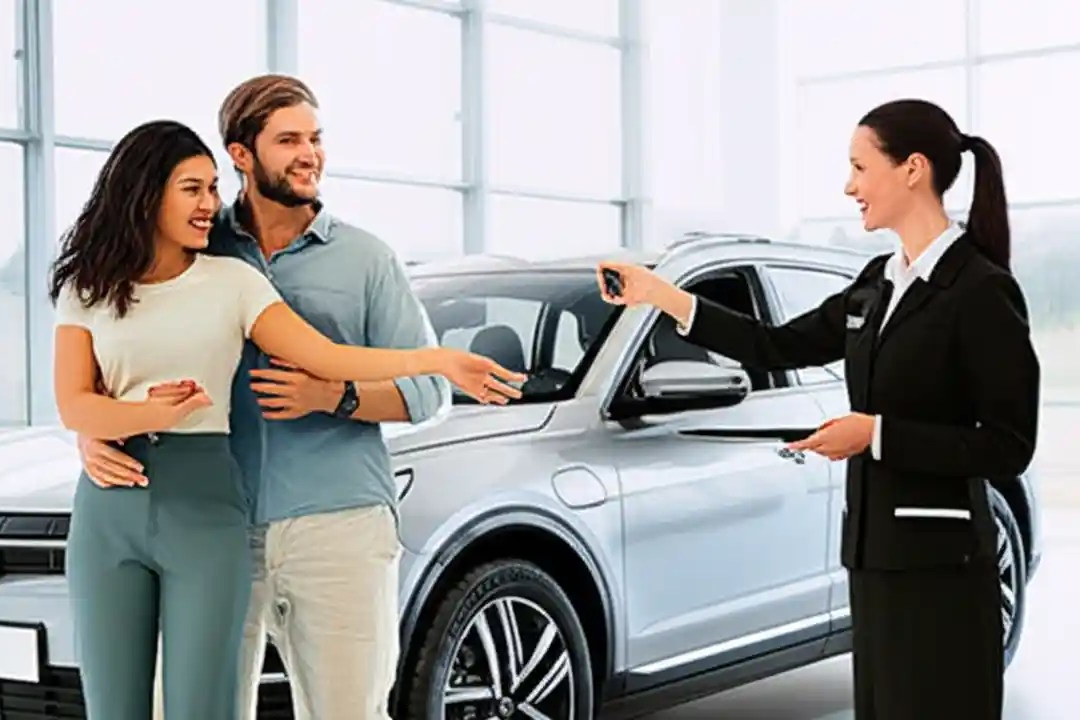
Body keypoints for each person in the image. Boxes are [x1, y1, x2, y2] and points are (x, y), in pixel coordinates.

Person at [51, 119, 524, 720]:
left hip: (265, 511)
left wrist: (427, 362)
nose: (207, 203)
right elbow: (78, 397)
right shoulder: (107, 280)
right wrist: (117, 422)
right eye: (192, 189)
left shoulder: (256, 276)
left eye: (209, 189)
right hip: (138, 509)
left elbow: (335, 358)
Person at [596, 98, 1038, 719]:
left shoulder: (981, 290)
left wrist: (876, 434)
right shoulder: (878, 283)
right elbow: (776, 344)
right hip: (873, 556)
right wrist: (662, 297)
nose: (849, 186)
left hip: (942, 567)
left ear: (912, 169)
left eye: (860, 167)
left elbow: (1009, 444)